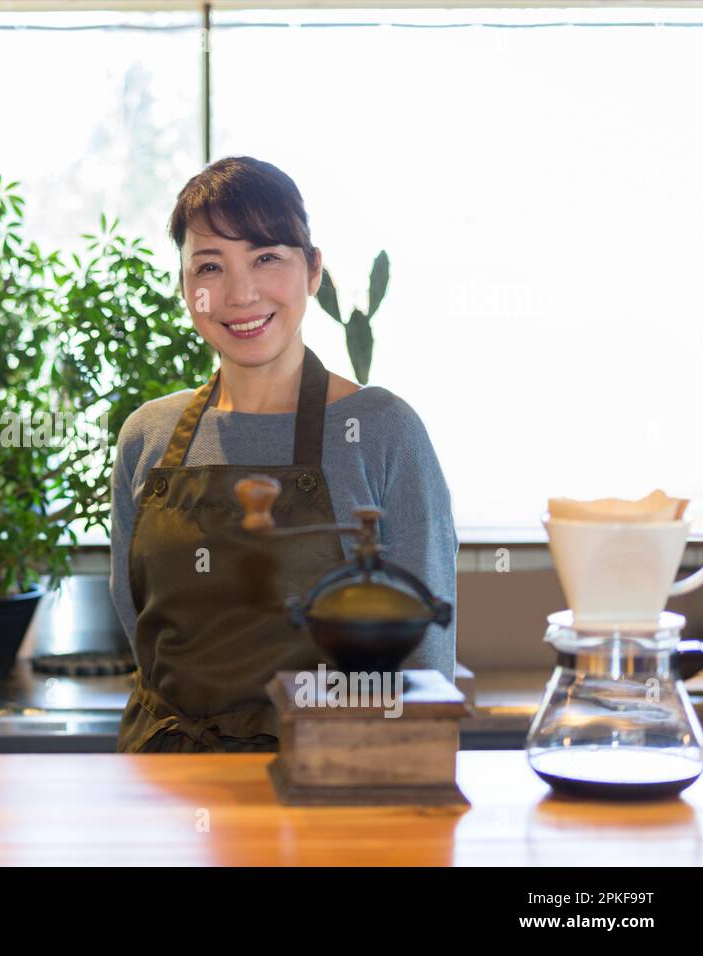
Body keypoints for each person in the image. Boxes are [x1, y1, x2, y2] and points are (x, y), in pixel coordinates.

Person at [110, 156, 458, 753]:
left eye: (266, 257)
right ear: (186, 288)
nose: (240, 294)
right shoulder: (148, 435)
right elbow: (137, 622)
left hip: (328, 786)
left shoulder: (382, 432)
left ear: (313, 269)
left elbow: (423, 666)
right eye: (210, 266)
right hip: (167, 788)